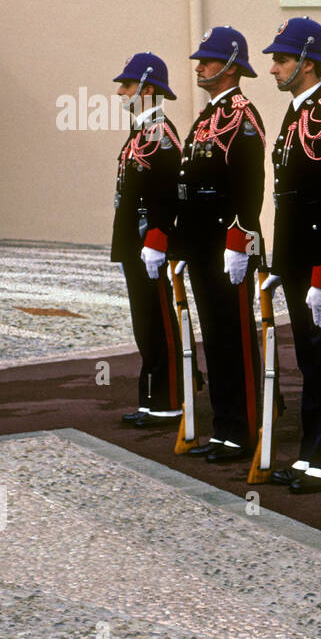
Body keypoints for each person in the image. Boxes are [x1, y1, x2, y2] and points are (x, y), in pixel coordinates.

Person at [258, 17, 321, 494]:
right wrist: (284, 264)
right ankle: (313, 451)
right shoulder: (299, 113)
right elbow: (290, 200)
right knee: (308, 358)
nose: (273, 69)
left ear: (307, 62)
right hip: (300, 261)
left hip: (319, 262)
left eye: (281, 59)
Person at [177, 26, 266, 463]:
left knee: (235, 336)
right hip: (201, 244)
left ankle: (244, 428)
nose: (200, 65)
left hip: (228, 244)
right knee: (215, 336)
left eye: (208, 59)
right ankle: (224, 425)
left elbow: (249, 186)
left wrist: (239, 238)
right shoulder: (208, 117)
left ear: (230, 66)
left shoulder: (242, 115)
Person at [111, 52, 184, 428]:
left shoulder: (160, 135)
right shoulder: (142, 132)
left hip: (148, 244)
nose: (121, 92)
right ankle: (153, 399)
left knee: (158, 320)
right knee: (145, 321)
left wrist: (156, 240)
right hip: (135, 242)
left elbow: (165, 196)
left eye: (127, 84)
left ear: (147, 88)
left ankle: (168, 400)